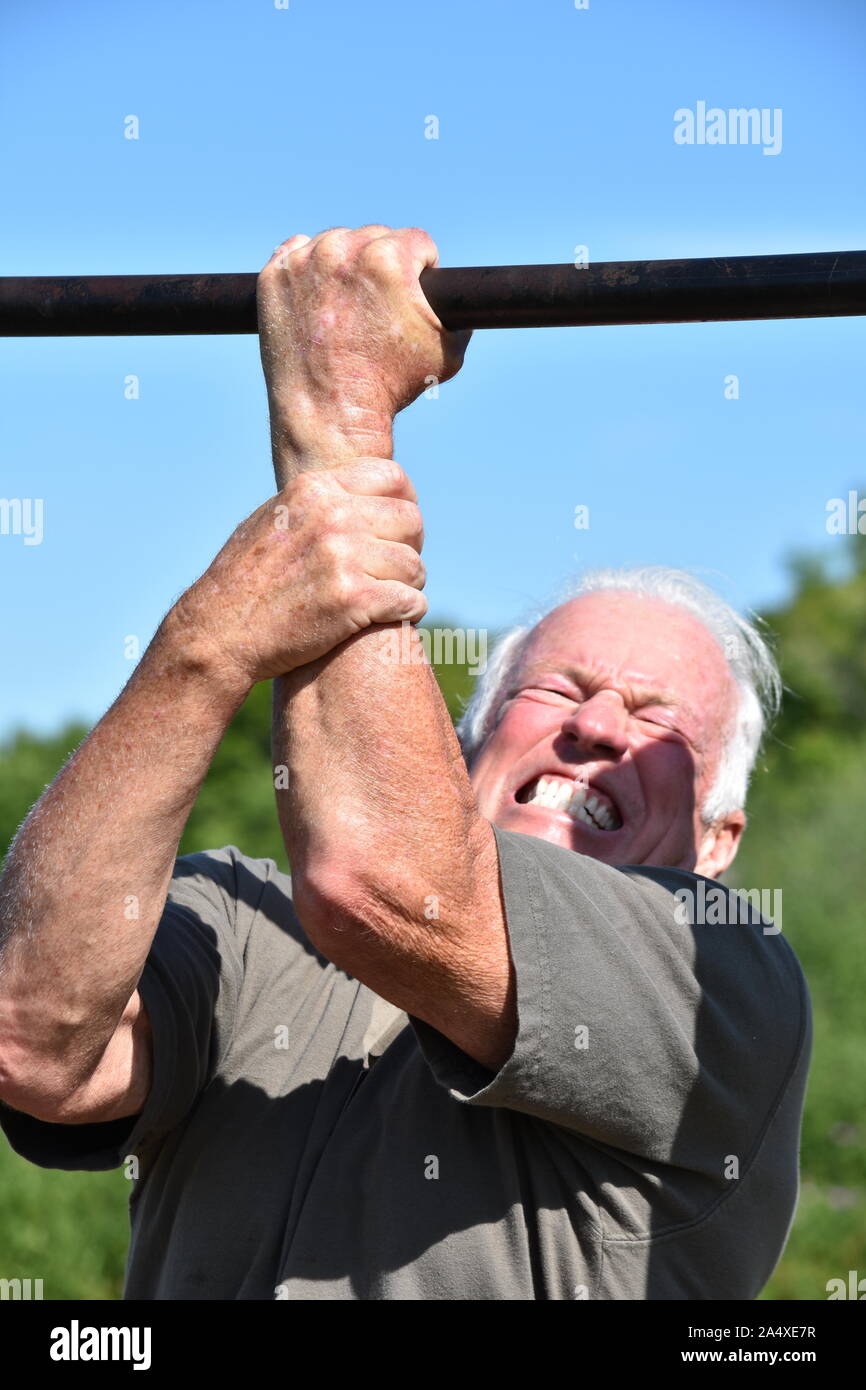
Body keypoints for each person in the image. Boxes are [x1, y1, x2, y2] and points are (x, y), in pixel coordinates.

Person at [0, 226, 810, 1301]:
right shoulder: (243, 918)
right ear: (460, 746)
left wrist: (334, 416)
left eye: (657, 722)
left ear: (716, 840)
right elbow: (31, 1041)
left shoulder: (724, 979)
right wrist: (202, 652)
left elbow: (385, 879)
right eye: (555, 690)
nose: (599, 726)